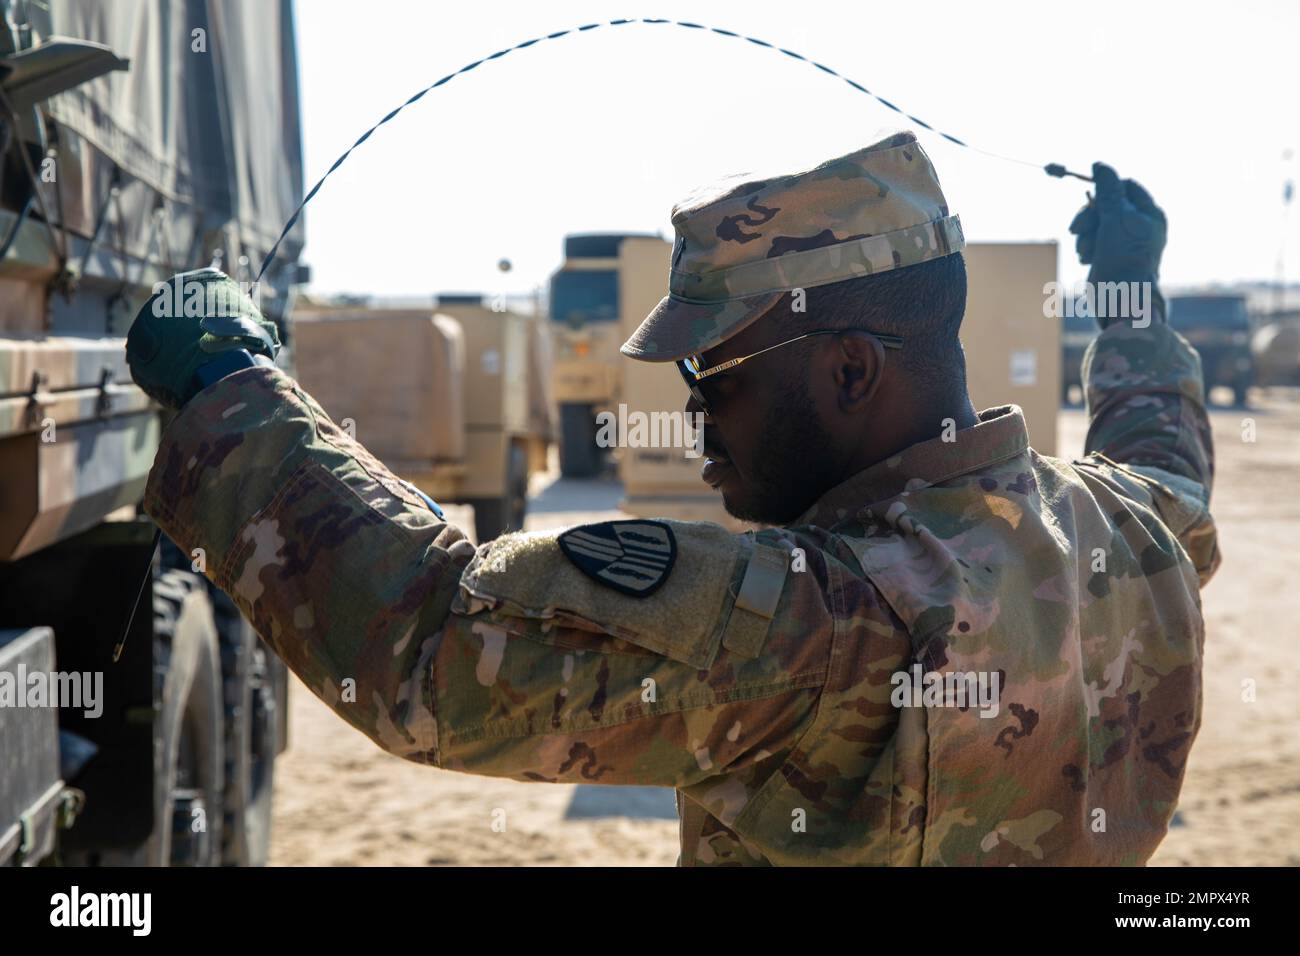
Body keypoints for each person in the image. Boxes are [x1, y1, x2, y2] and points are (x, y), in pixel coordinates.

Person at [126, 131, 1219, 866]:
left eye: (716, 377)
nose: (692, 413)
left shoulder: (810, 620)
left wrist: (231, 387)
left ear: (848, 371)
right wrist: (1131, 291)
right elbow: (1165, 454)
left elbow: (428, 645)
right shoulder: (1120, 529)